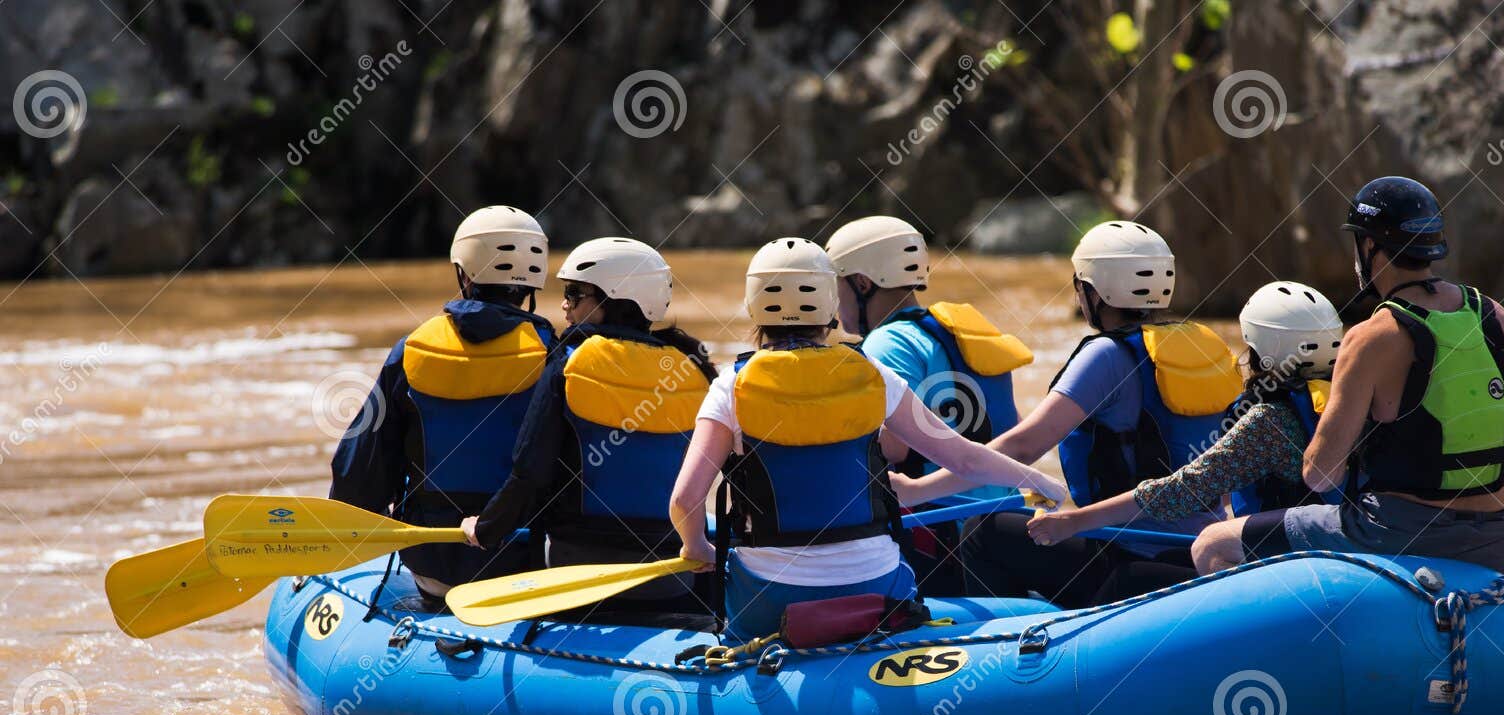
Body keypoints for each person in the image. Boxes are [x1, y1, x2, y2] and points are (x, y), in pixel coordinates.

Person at [1190, 176, 1504, 585]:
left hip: (1395, 536)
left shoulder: (1369, 339)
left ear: (1370, 248)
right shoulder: (1494, 317)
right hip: (1494, 540)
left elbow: (1320, 474)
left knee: (1211, 544)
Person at [668, 238, 1066, 642]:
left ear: (753, 305)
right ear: (828, 303)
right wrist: (1038, 481)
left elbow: (685, 501)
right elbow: (965, 459)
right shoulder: (872, 374)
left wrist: (696, 546)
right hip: (874, 587)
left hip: (768, 596)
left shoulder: (730, 387)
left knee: (732, 604)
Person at [892, 220, 1236, 607]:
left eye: (1079, 287)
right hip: (1200, 549)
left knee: (982, 533)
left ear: (1092, 290)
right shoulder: (1206, 346)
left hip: (1131, 557)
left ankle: (1013, 646)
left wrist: (918, 488)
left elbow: (1022, 447)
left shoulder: (1107, 355)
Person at [462, 238, 716, 611]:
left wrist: (485, 529)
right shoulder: (694, 370)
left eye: (575, 293)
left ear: (615, 299)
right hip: (670, 577)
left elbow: (530, 473)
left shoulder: (568, 363)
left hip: (577, 577)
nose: (564, 304)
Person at [330, 205, 556, 600]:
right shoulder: (558, 357)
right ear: (533, 281)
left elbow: (359, 471)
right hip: (528, 566)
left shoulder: (412, 351)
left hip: (434, 566)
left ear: (463, 273)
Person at [1027, 281, 1343, 552]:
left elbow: (1183, 490)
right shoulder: (1351, 399)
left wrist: (1074, 520)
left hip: (1296, 563)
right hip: (1347, 544)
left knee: (1212, 542)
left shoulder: (1270, 420)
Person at [825, 215, 1034, 593]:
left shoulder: (885, 344)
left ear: (861, 283)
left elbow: (893, 445)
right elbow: (1015, 435)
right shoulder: (965, 332)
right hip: (1008, 529)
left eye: (834, 286)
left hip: (943, 542)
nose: (832, 303)